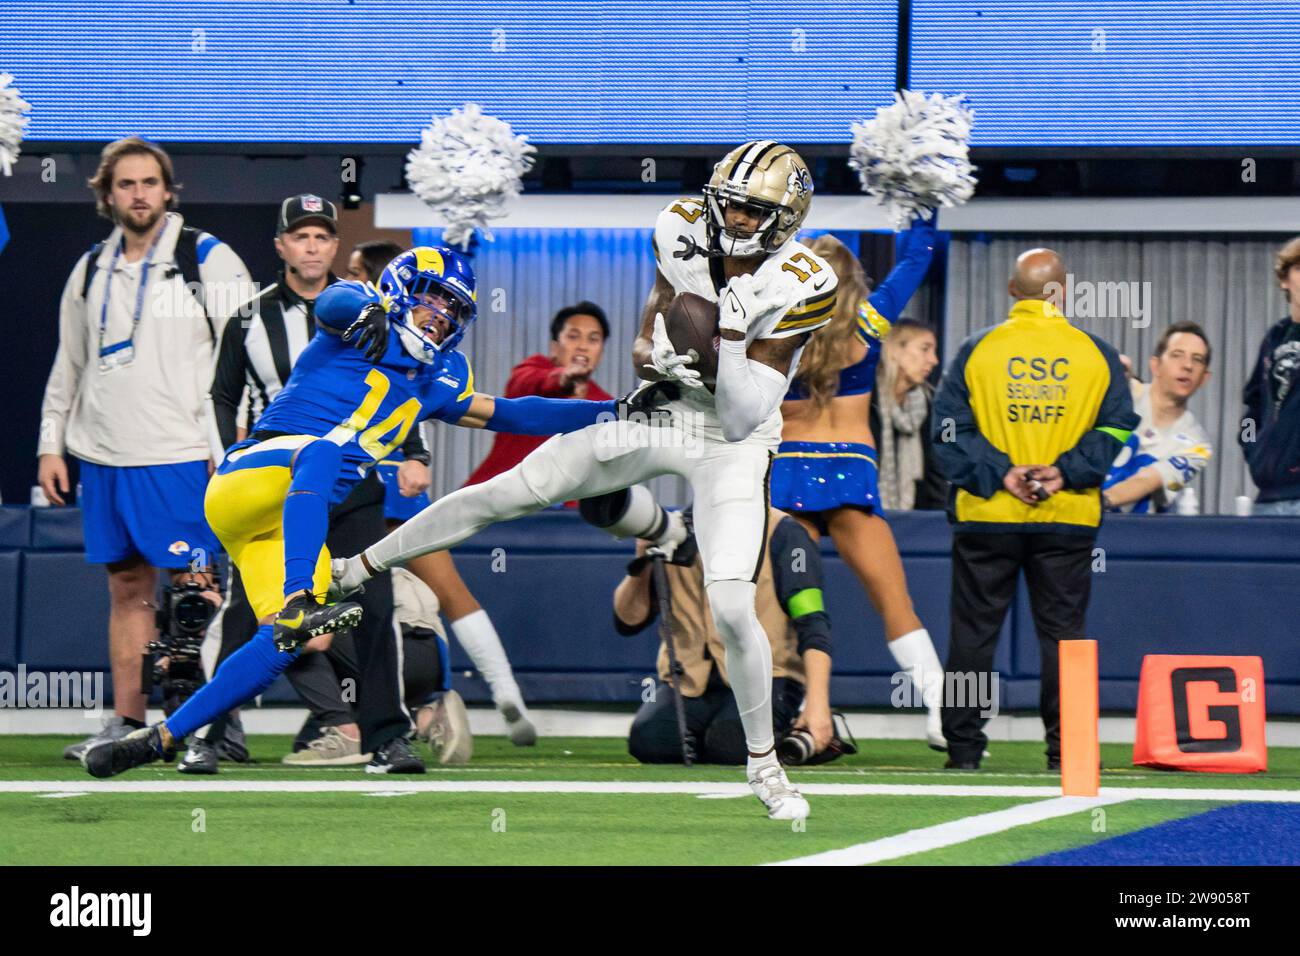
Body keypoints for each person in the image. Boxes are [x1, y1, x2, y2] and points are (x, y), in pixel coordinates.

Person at [330, 140, 839, 821]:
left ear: (784, 219)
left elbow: (746, 415)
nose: (732, 219)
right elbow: (648, 329)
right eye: (728, 203)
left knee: (730, 607)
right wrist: (658, 361)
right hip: (666, 410)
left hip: (733, 439)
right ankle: (357, 567)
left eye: (750, 212)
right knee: (511, 488)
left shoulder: (805, 280)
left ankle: (765, 766)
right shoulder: (681, 224)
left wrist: (735, 339)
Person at [83, 246, 620, 778]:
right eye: (433, 299)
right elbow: (334, 303)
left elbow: (513, 412)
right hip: (250, 478)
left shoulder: (437, 379)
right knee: (323, 454)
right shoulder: (361, 313)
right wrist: (369, 311)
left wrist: (609, 409)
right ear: (402, 289)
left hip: (282, 522)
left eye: (453, 308)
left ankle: (160, 736)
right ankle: (299, 597)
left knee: (286, 640)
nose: (441, 316)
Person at [186, 198, 435, 772]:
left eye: (324, 236)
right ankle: (211, 733)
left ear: (333, 245)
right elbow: (223, 396)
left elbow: (407, 387)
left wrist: (415, 450)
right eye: (301, 236)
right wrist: (228, 459)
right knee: (249, 611)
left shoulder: (378, 309)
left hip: (351, 483)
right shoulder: (249, 318)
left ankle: (387, 736)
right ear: (281, 246)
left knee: (374, 605)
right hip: (275, 481)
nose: (313, 246)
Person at [37, 136, 252, 760]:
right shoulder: (89, 269)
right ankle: (126, 722)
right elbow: (68, 365)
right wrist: (52, 445)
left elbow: (247, 355)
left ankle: (212, 728)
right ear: (108, 194)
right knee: (127, 593)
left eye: (149, 183)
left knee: (197, 592)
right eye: (126, 184)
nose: (139, 194)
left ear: (167, 190)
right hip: (104, 454)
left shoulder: (204, 257)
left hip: (182, 450)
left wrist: (238, 440)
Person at [931, 248, 1138, 771]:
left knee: (973, 635)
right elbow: (1116, 428)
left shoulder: (977, 351)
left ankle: (963, 752)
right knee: (1065, 637)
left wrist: (1002, 472)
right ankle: (1068, 754)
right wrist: (1064, 471)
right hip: (1066, 517)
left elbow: (947, 433)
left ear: (1011, 290)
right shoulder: (1098, 354)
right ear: (1061, 291)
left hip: (988, 515)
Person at [354, 240, 538, 747]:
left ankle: (376, 716)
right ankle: (482, 696)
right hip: (383, 477)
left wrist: (417, 454)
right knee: (441, 598)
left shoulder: (368, 327)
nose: (437, 312)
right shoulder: (360, 320)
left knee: (353, 607)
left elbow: (402, 398)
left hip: (358, 481)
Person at [777, 227, 949, 749]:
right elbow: (919, 255)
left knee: (796, 605)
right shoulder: (870, 323)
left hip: (785, 475)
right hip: (849, 473)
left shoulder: (775, 333)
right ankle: (944, 714)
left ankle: (804, 709)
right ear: (853, 280)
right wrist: (919, 202)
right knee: (896, 603)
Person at [601, 488, 833, 764]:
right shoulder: (670, 529)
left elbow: (813, 622)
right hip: (687, 680)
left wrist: (819, 704)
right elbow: (627, 622)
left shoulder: (784, 532)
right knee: (650, 743)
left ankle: (799, 731)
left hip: (767, 677)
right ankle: (733, 736)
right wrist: (643, 558)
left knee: (732, 746)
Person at [465, 301, 614, 486]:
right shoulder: (532, 370)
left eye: (593, 339)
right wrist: (564, 379)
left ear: (601, 351)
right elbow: (530, 381)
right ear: (554, 347)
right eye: (573, 336)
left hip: (565, 510)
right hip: (496, 496)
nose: (583, 346)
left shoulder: (605, 403)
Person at [1103, 322, 1213, 514]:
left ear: (1204, 378)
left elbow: (1148, 480)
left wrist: (1095, 504)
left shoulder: (1198, 446)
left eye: (1197, 360)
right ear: (1155, 365)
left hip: (1131, 532)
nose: (1187, 366)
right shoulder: (1124, 395)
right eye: (1177, 355)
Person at [1241, 236, 1300, 515]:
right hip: (1268, 496)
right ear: (1285, 280)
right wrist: (1254, 450)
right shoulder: (1273, 338)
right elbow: (1252, 408)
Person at [873, 319, 947, 510]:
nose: (934, 360)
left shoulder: (934, 405)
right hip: (867, 515)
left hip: (917, 522)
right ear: (895, 350)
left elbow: (939, 466)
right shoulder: (865, 400)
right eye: (925, 349)